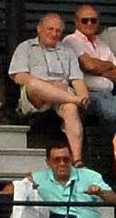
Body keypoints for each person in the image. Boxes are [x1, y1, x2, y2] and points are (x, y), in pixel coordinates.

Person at [8, 13, 90, 165]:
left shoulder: (68, 51)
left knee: (71, 107)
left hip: (63, 96)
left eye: (58, 31)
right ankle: (72, 99)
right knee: (33, 84)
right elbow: (19, 76)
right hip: (37, 97)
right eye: (50, 29)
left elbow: (77, 80)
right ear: (39, 28)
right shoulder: (25, 47)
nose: (54, 34)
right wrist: (49, 85)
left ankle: (77, 159)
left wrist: (84, 97)